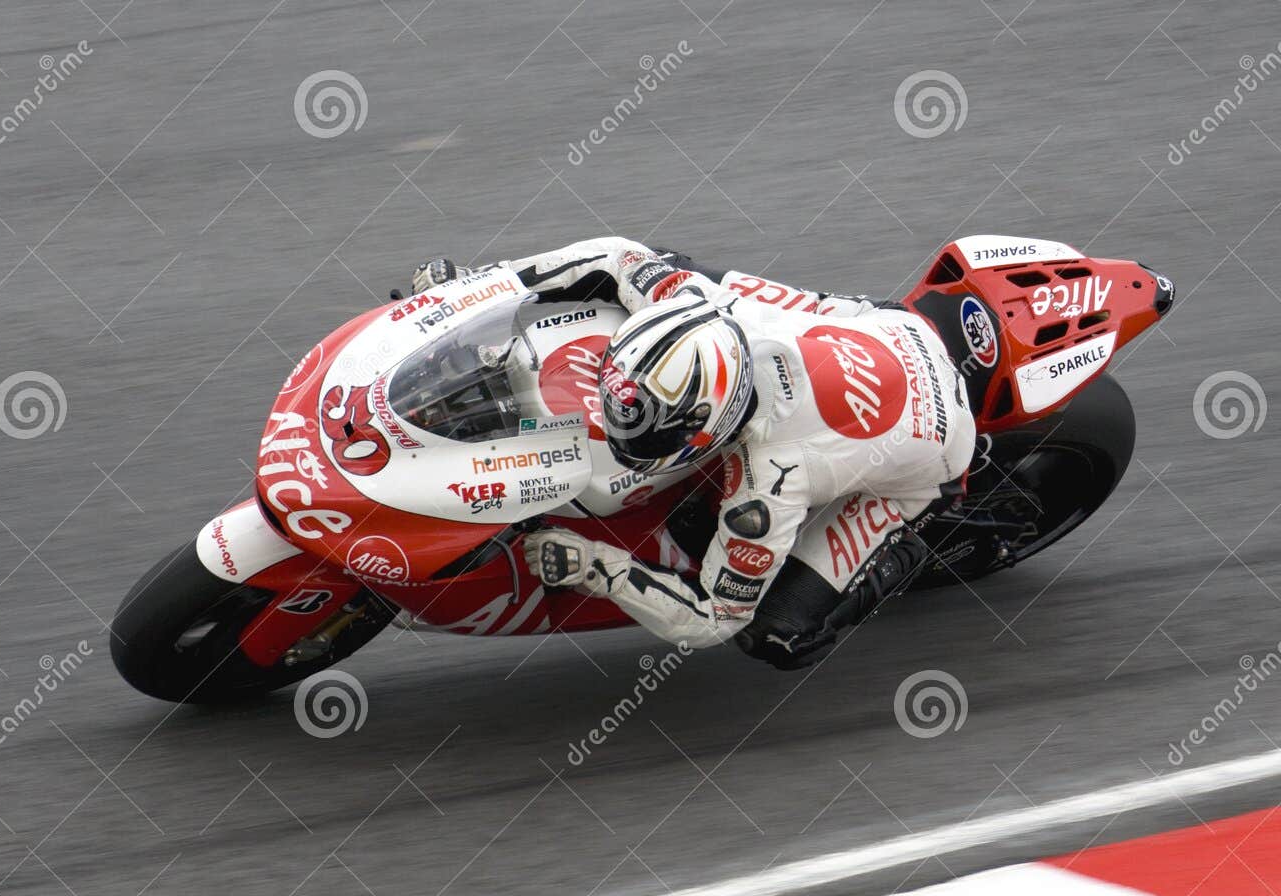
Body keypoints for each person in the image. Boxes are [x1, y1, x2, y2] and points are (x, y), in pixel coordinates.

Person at [411, 237, 977, 668]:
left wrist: (594, 566)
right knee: (659, 256)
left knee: (776, 633)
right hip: (886, 326)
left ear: (712, 427)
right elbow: (616, 254)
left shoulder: (771, 485)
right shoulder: (694, 302)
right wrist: (474, 288)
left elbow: (713, 619)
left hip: (936, 454)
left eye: (647, 430)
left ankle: (914, 545)